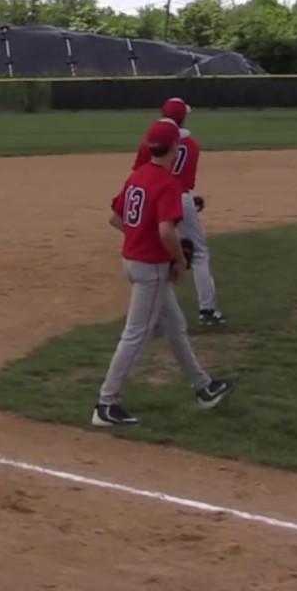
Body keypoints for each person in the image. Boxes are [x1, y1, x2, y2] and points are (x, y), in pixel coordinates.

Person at [93, 118, 238, 427]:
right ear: (175, 147)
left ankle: (204, 388)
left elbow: (116, 219)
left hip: (133, 261)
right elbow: (166, 231)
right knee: (136, 334)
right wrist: (180, 262)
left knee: (175, 326)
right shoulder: (167, 182)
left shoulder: (138, 176)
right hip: (151, 269)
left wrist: (137, 237)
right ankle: (107, 404)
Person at [132, 97, 225, 325]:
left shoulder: (149, 144)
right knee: (200, 254)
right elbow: (185, 183)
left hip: (153, 196)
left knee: (156, 255)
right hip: (181, 199)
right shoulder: (192, 145)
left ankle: (152, 316)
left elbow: (138, 175)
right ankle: (207, 311)